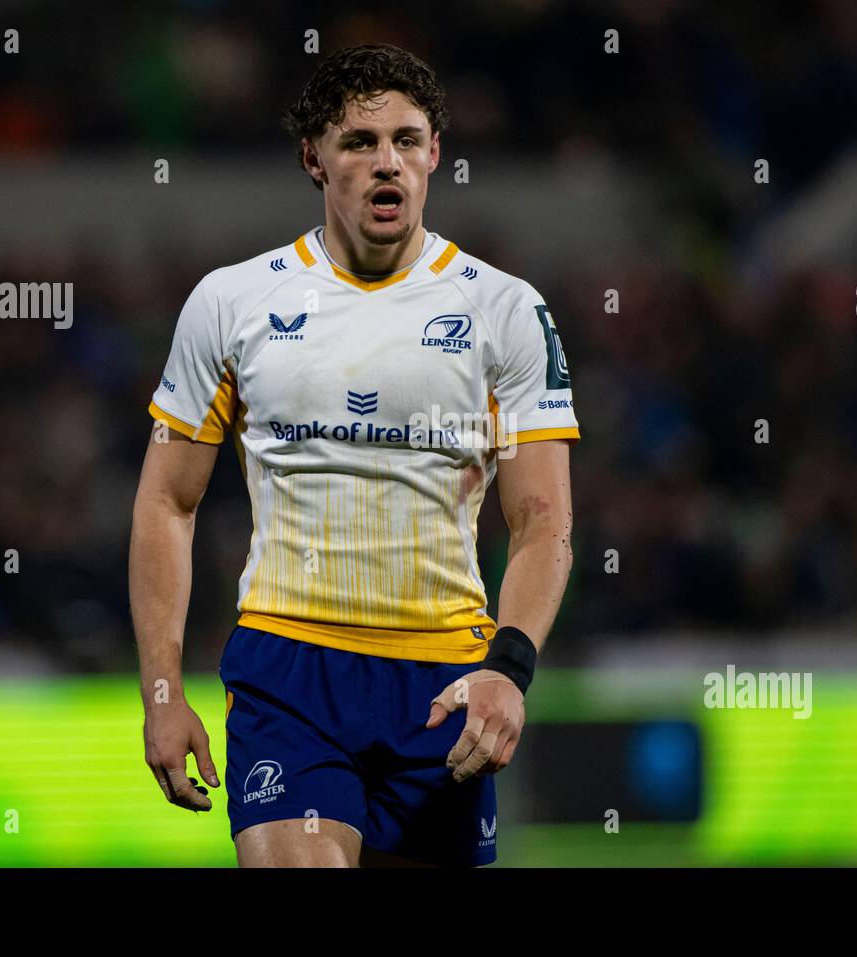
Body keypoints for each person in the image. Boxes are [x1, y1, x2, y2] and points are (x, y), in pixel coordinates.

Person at [130, 42, 577, 867]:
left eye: (407, 140)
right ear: (313, 159)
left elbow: (542, 517)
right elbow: (167, 502)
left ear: (436, 154)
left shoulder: (507, 310)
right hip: (289, 673)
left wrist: (509, 668)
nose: (388, 162)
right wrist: (163, 691)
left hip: (444, 684)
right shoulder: (232, 303)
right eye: (359, 142)